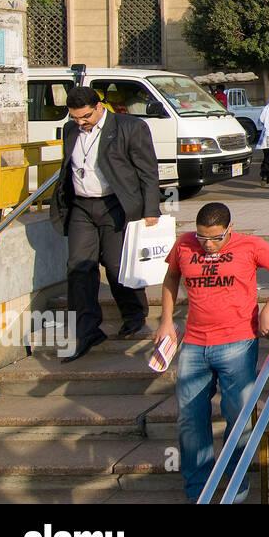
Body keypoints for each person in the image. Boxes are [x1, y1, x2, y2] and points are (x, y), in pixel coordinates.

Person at [155, 202, 269, 503]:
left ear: (229, 229)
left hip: (238, 343)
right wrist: (167, 321)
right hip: (195, 344)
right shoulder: (184, 245)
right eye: (202, 237)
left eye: (215, 238)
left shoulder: (250, 245)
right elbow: (171, 278)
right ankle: (199, 491)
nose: (207, 244)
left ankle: (236, 488)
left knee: (239, 416)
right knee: (191, 419)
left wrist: (268, 311)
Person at [49, 86, 161, 363]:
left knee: (115, 265)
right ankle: (87, 330)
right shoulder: (71, 130)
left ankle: (134, 314)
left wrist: (151, 210)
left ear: (99, 107)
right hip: (81, 207)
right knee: (78, 267)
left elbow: (148, 170)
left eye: (85, 116)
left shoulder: (129, 127)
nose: (80, 122)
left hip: (116, 205)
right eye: (75, 118)